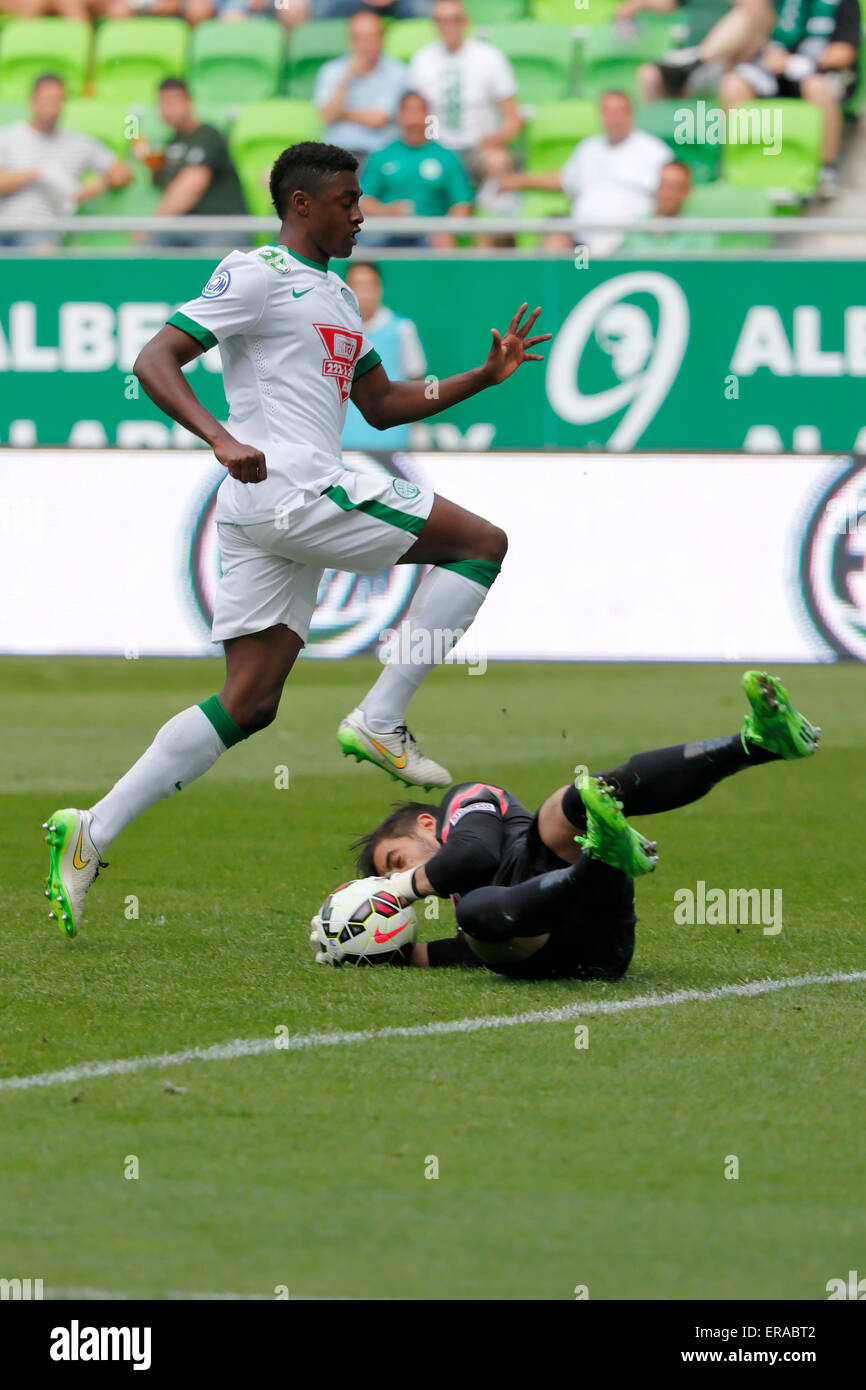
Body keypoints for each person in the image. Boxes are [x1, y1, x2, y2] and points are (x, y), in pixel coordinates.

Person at [42, 140, 551, 938]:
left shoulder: (340, 297)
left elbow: (381, 403)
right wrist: (218, 436)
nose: (361, 212)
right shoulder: (257, 273)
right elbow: (154, 359)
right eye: (347, 199)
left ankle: (91, 831)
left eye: (361, 199)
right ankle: (381, 720)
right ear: (302, 205)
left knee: (248, 703)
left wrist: (481, 379)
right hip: (294, 488)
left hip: (263, 511)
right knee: (480, 543)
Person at [319, 673, 820, 979]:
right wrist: (389, 953)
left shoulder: (469, 801)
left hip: (578, 906)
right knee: (475, 919)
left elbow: (475, 856)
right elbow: (467, 950)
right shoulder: (461, 898)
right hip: (585, 949)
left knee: (567, 805)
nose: (400, 877)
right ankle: (602, 858)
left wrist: (401, 889)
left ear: (427, 824)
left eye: (397, 860)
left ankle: (758, 743)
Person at [499, 90, 672, 256]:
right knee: (554, 240)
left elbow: (670, 194)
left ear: (631, 114)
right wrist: (518, 181)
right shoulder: (588, 148)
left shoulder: (654, 152)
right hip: (582, 242)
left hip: (631, 241)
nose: (613, 118)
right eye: (608, 112)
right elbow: (564, 179)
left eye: (619, 111)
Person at [719, 0, 861, 197]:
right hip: (773, 74)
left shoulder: (845, 3)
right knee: (733, 84)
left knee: (817, 86)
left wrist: (797, 63)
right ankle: (737, 161)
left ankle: (825, 167)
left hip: (818, 74)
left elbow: (844, 52)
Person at [0, 73, 131, 250]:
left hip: (43, 230)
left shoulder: (79, 143)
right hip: (4, 224)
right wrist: (37, 173)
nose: (52, 107)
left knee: (44, 254)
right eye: (47, 99)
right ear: (31, 101)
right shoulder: (7, 137)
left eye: (58, 100)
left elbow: (123, 172)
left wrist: (101, 184)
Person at [408, 0, 523, 177]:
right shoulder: (422, 59)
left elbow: (514, 119)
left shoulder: (490, 58)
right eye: (441, 20)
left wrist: (496, 139)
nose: (448, 26)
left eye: (454, 20)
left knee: (497, 161)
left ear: (466, 22)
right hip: (436, 147)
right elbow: (412, 113)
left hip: (479, 148)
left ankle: (495, 203)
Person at [137, 78, 248, 249]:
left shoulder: (207, 134)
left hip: (222, 226)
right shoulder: (171, 144)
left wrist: (152, 226)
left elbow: (193, 184)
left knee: (207, 267)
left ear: (189, 103)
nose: (167, 110)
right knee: (143, 251)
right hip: (182, 229)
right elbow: (162, 184)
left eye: (173, 102)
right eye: (162, 104)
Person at [360, 90, 473, 247]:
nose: (413, 119)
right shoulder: (382, 155)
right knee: (359, 246)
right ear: (399, 116)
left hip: (430, 233)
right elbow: (365, 200)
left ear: (428, 116)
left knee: (444, 246)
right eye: (407, 111)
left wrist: (446, 229)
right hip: (387, 231)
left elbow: (462, 204)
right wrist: (386, 212)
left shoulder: (446, 157)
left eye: (418, 111)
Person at [341, 261, 427, 450]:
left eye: (368, 286)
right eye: (356, 286)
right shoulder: (333, 330)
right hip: (340, 447)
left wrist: (417, 430)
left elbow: (416, 382)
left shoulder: (402, 328)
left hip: (392, 446)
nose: (363, 294)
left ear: (379, 289)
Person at [620, 0, 775, 102]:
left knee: (750, 10)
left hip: (733, 61)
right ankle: (657, 147)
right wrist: (640, 4)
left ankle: (697, 61)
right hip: (691, 59)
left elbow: (763, 16)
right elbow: (668, 4)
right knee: (649, 75)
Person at [314, 9, 407, 161]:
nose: (367, 45)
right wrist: (346, 80)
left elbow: (378, 120)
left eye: (372, 38)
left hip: (379, 154)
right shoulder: (331, 71)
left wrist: (342, 115)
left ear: (382, 39)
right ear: (351, 40)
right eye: (361, 38)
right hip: (337, 152)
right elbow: (327, 116)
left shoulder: (397, 72)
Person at [618, 160, 719, 253]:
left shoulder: (700, 229)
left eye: (676, 187)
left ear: (687, 191)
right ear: (656, 188)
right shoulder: (636, 226)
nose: (669, 194)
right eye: (665, 185)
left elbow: (705, 269)